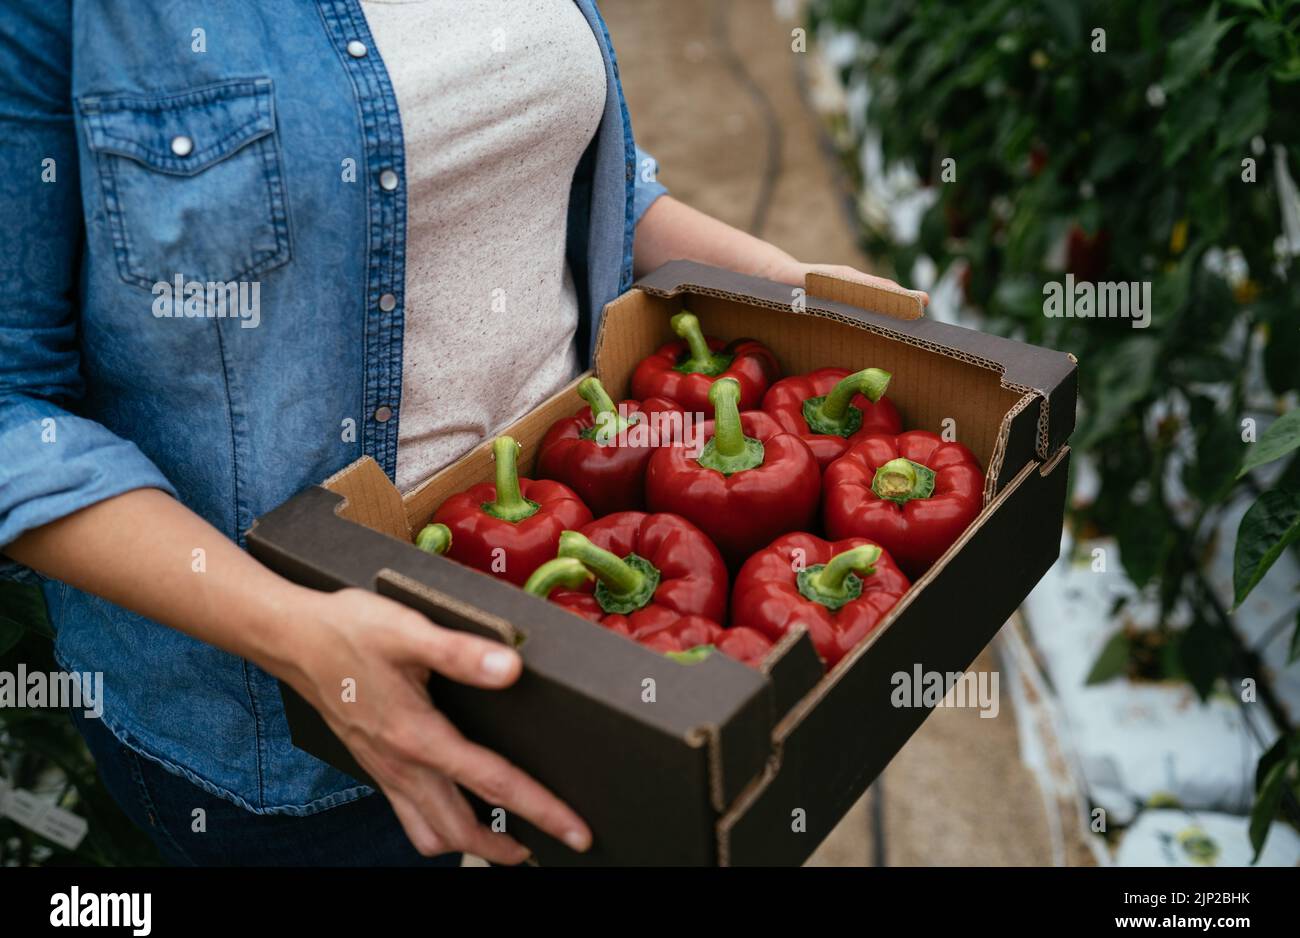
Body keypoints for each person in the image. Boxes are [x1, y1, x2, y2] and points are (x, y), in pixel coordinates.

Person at [0, 0, 923, 865]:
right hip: (294, 722)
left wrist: (793, 288)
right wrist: (294, 632)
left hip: (586, 577)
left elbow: (572, 181)